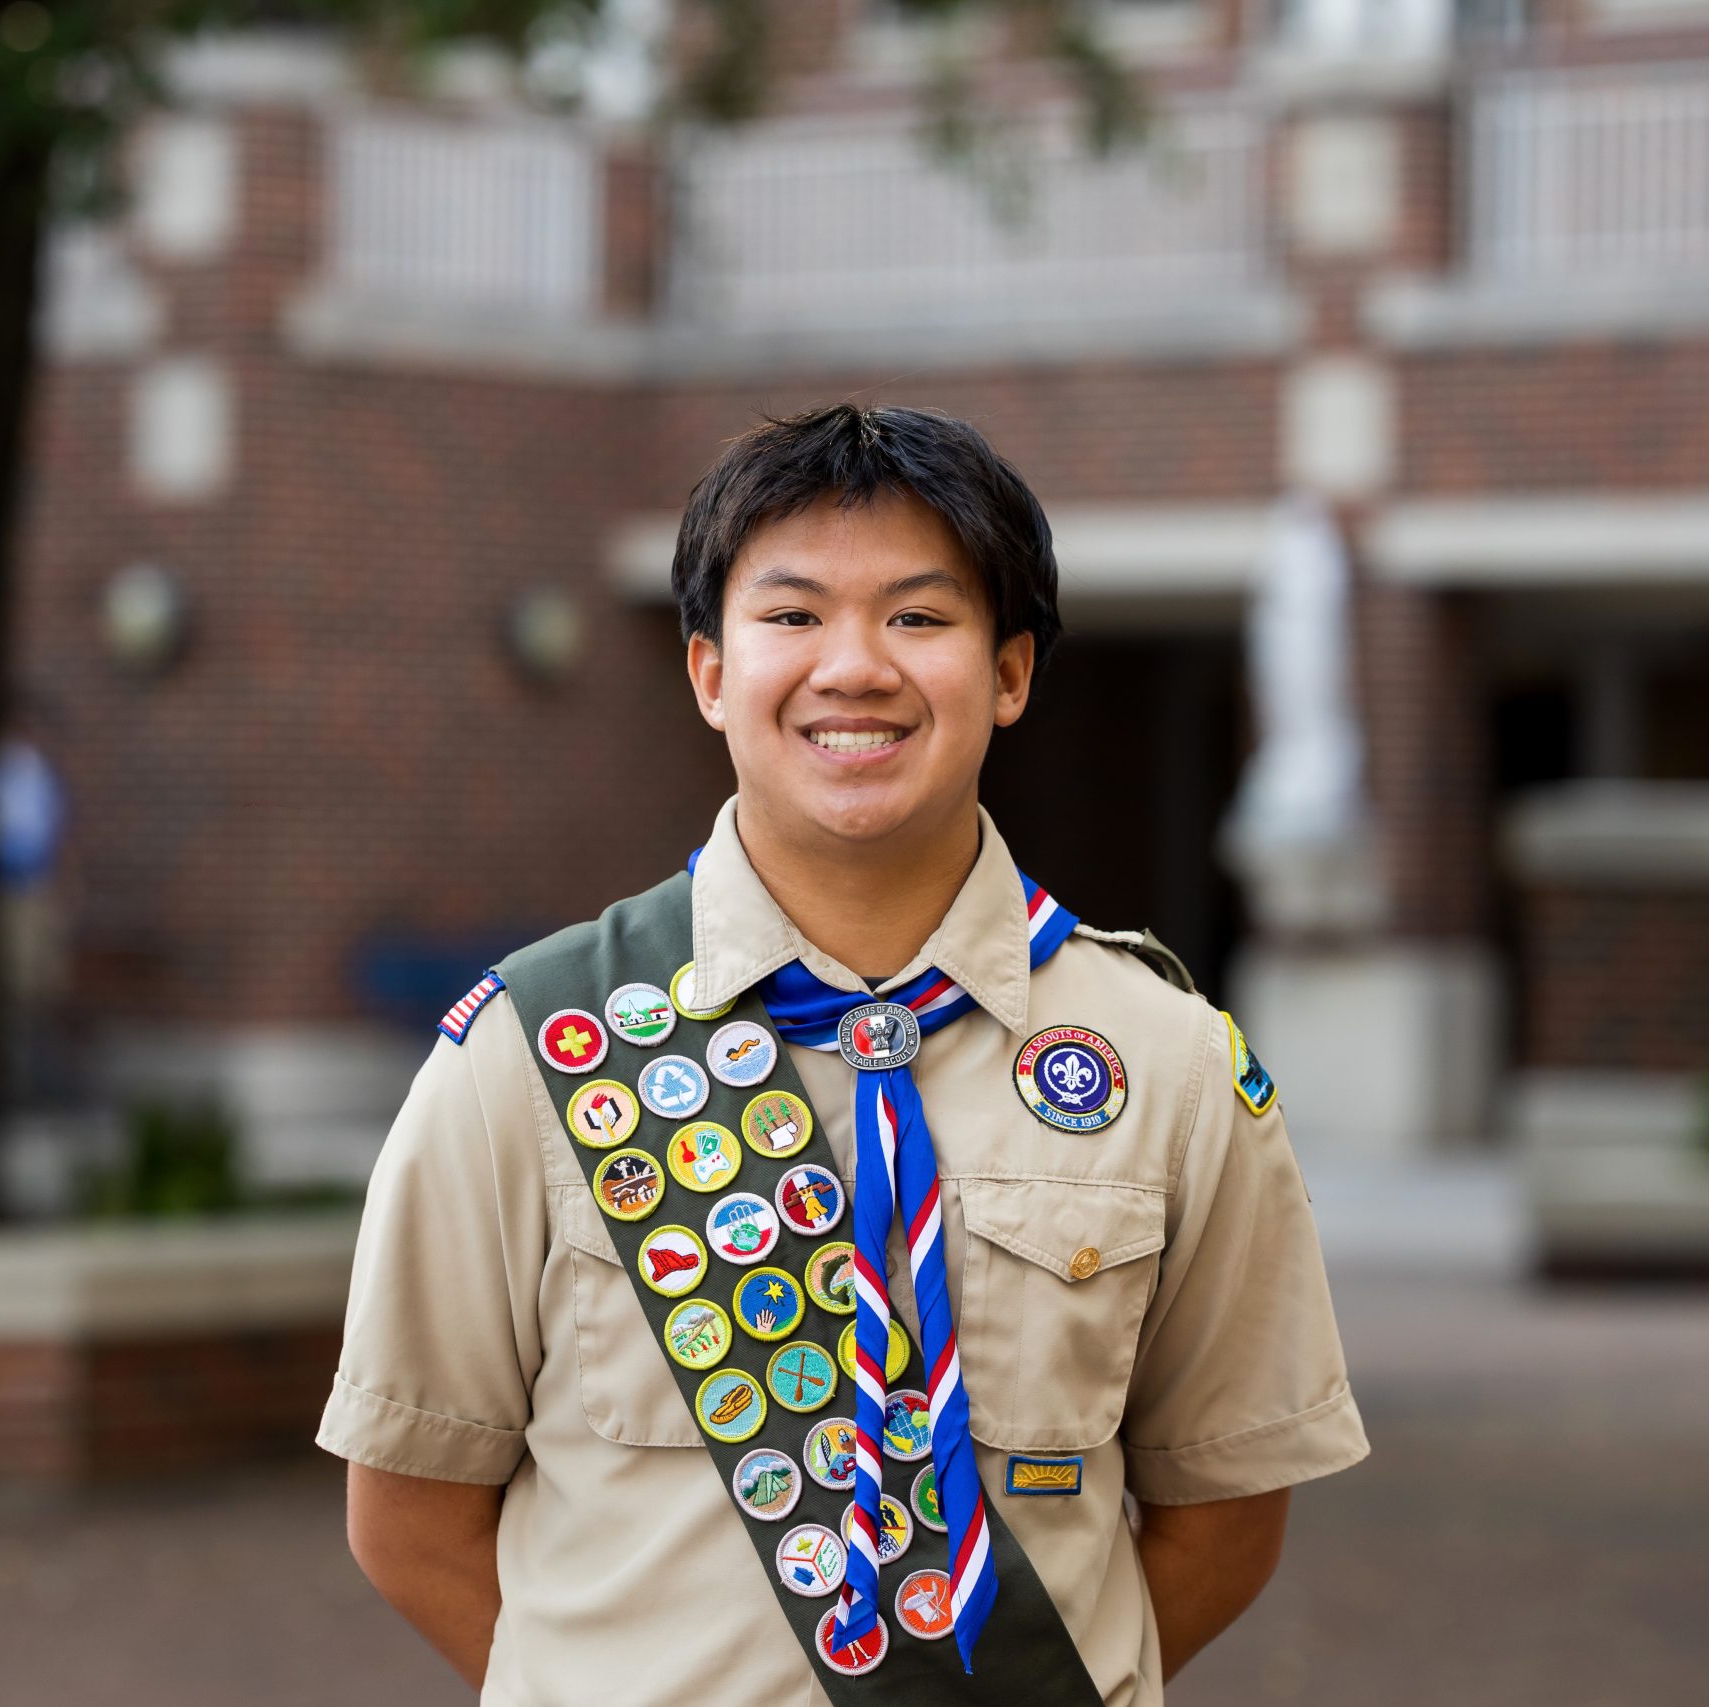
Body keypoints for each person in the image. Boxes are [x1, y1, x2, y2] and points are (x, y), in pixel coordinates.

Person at [319, 403, 1369, 1703]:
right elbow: (410, 1517)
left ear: (1011, 672)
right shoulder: (533, 1053)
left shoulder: (1169, 1061)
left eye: (920, 618)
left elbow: (1223, 1519)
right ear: (710, 671)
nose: (855, 667)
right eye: (794, 615)